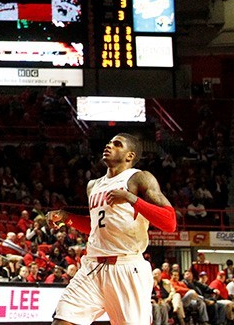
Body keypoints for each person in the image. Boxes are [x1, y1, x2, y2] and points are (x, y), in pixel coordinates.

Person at [46, 134, 177, 325]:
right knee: (62, 321)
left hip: (126, 267)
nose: (109, 145)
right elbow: (95, 226)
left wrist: (132, 199)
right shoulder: (93, 185)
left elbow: (170, 222)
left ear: (130, 156)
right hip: (92, 267)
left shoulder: (139, 178)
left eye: (117, 144)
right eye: (109, 142)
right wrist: (67, 218)